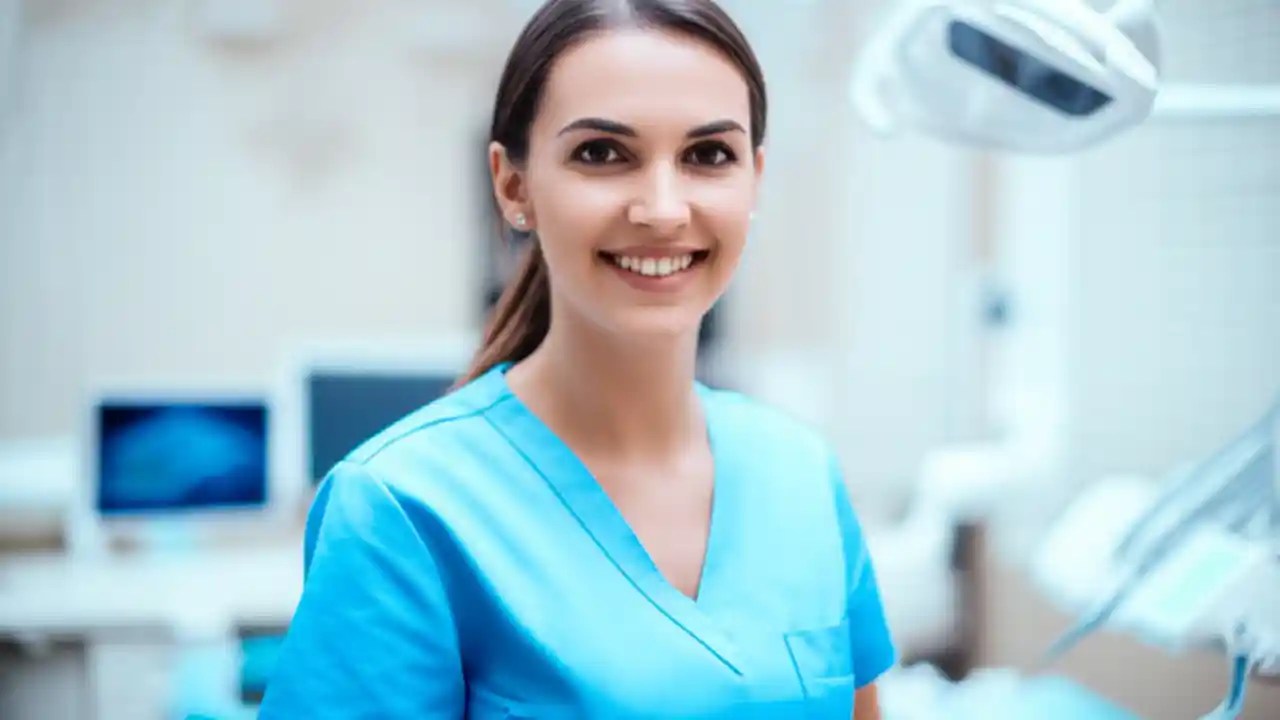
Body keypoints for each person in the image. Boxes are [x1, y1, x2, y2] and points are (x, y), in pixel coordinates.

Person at [259, 1, 895, 717]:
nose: (662, 209)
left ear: (754, 178)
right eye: (602, 153)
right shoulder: (402, 508)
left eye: (708, 155)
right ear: (513, 185)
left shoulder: (799, 472)